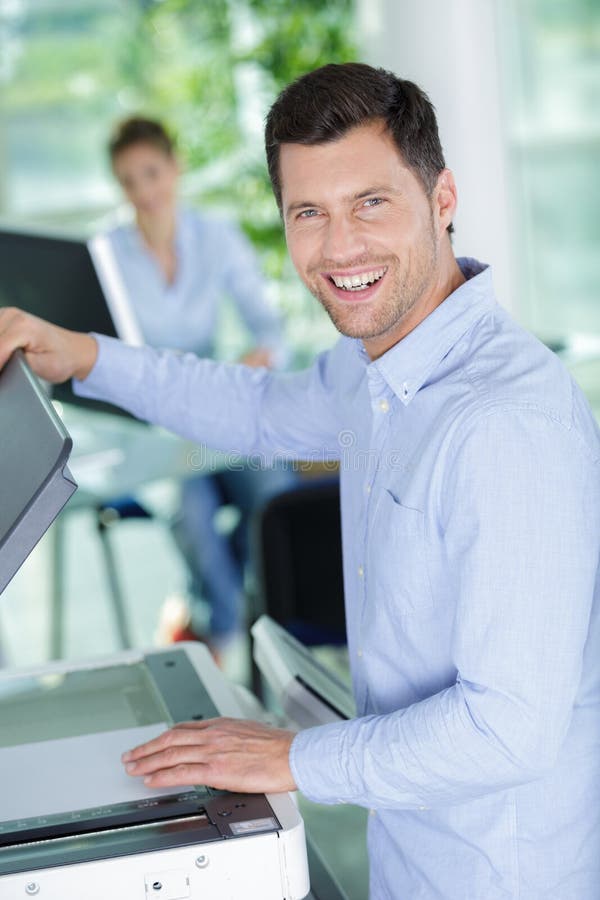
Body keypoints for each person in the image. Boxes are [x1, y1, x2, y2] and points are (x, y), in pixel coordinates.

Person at [1, 62, 599, 900]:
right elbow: (258, 410)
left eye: (371, 203)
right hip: (411, 848)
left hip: (502, 875)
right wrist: (88, 355)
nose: (340, 247)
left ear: (444, 198)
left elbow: (511, 731)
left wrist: (289, 756)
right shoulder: (378, 366)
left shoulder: (504, 426)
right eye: (308, 214)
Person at [103, 115, 293, 652]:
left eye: (152, 173)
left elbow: (269, 326)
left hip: (215, 408)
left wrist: (261, 356)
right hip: (152, 424)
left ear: (176, 167)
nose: (144, 192)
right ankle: (228, 633)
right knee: (192, 508)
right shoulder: (108, 252)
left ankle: (204, 609)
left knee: (272, 491)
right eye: (128, 181)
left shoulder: (216, 237)